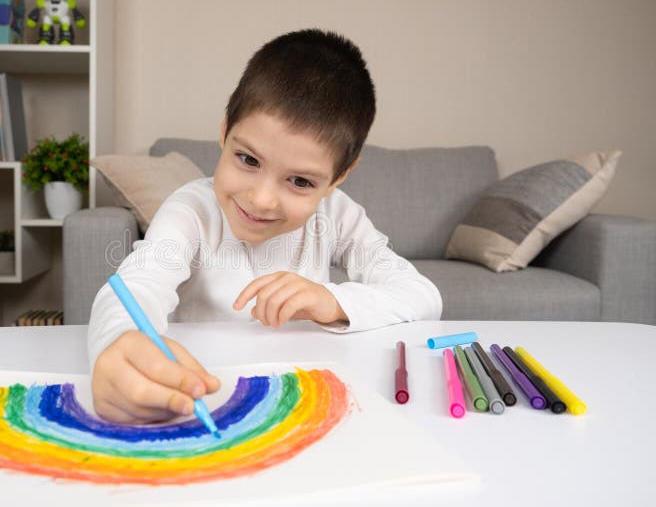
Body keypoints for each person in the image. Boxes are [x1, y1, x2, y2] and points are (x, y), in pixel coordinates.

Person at [88, 28, 442, 424]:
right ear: (224, 132)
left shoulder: (338, 215)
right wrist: (119, 344)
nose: (260, 200)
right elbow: (136, 288)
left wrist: (333, 301)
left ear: (340, 175)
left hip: (297, 403)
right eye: (248, 159)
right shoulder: (191, 211)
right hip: (205, 399)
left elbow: (423, 295)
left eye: (300, 182)